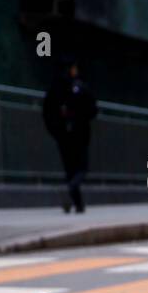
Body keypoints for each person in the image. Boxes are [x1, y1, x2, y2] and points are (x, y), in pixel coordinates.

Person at [42, 59, 98, 213]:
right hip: (80, 133)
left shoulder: (55, 88)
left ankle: (77, 203)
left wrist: (55, 131)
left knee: (70, 169)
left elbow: (47, 111)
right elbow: (93, 109)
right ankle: (71, 192)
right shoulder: (79, 87)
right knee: (82, 168)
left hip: (62, 134)